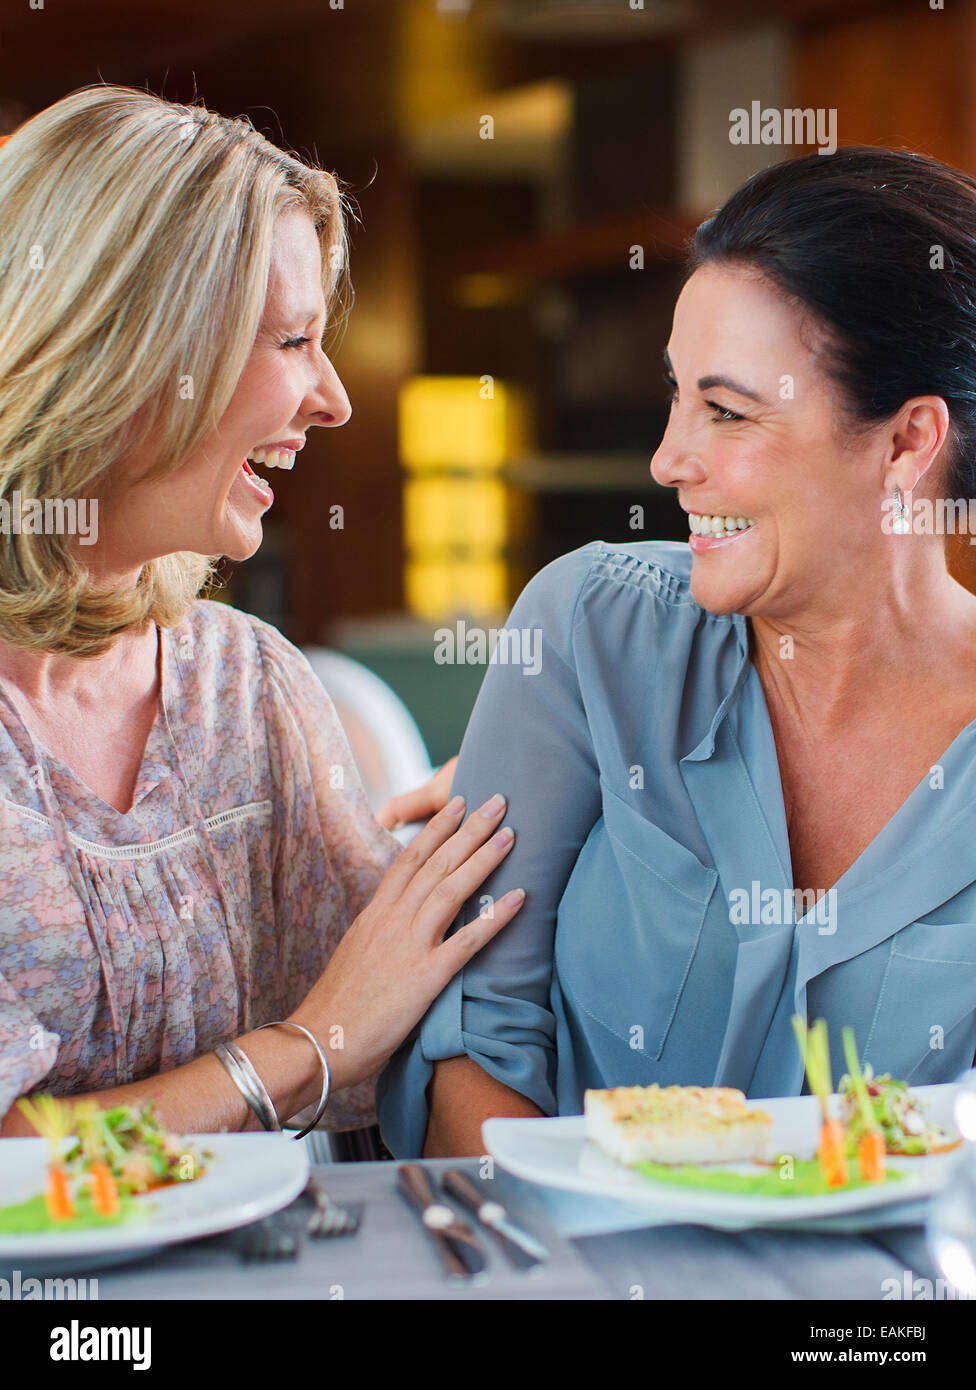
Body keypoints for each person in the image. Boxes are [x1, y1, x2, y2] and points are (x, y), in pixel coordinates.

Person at [377, 145, 976, 1157]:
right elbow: (479, 1051)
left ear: (907, 443)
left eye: (726, 411)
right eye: (674, 396)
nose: (668, 459)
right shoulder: (591, 631)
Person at [0, 85, 525, 1139]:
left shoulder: (245, 678)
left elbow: (407, 1015)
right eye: (291, 342)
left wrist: (532, 815)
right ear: (127, 350)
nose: (331, 396)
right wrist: (306, 1050)